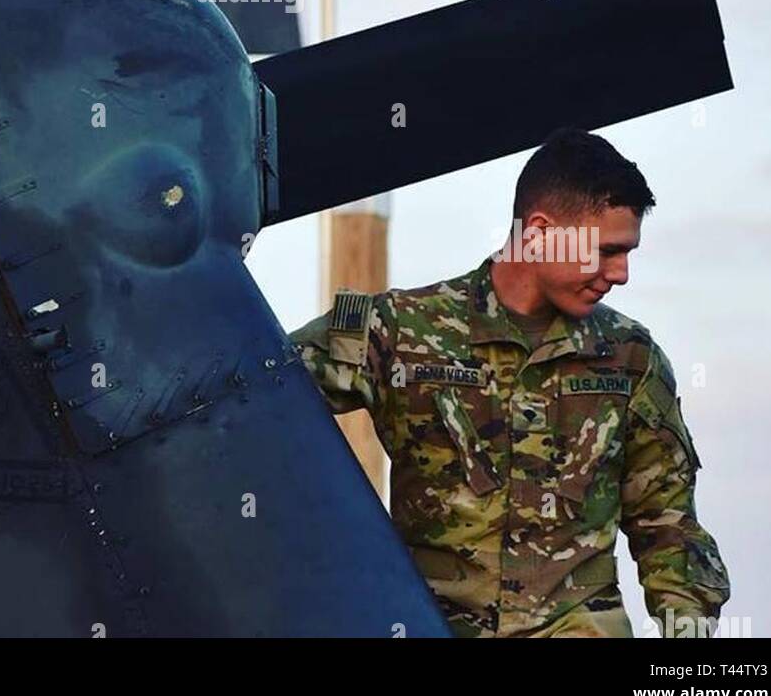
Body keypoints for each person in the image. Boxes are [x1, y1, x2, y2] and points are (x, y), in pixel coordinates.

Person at [291, 127, 730, 638]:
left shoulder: (631, 359)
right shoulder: (398, 330)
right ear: (540, 232)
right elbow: (243, 398)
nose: (621, 273)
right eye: (607, 251)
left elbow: (668, 526)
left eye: (627, 252)